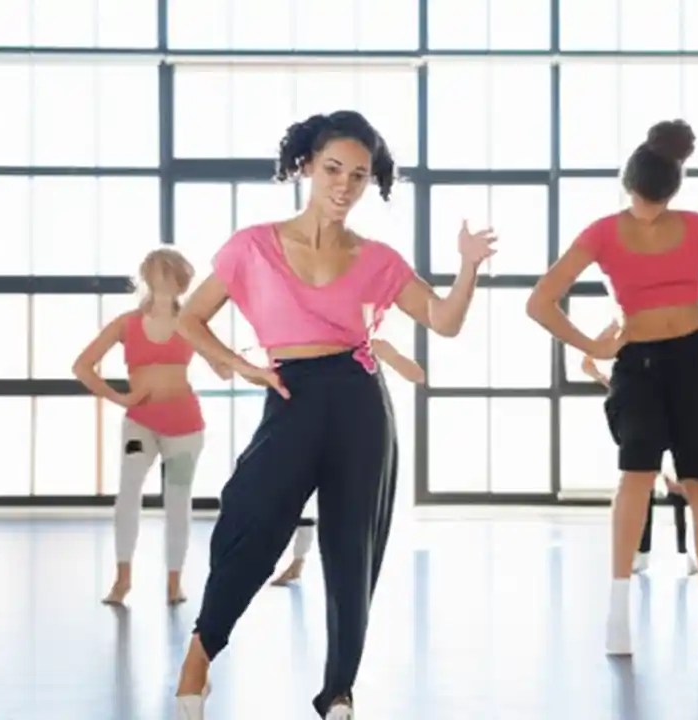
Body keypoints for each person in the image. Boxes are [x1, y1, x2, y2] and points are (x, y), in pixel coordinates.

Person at [172, 110, 495, 720]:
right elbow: (191, 318)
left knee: (352, 549)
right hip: (290, 394)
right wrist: (240, 366)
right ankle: (201, 652)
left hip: (358, 398)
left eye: (359, 176)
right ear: (305, 167)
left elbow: (445, 321)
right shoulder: (253, 246)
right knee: (253, 522)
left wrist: (469, 266)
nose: (344, 185)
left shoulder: (378, 258)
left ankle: (338, 691)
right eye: (333, 169)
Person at [527, 119, 698, 655]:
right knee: (644, 477)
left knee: (692, 484)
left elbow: (540, 303)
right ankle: (620, 615)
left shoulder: (686, 227)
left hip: (692, 361)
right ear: (673, 180)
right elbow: (540, 300)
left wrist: (592, 344)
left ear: (632, 180)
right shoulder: (617, 231)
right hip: (644, 365)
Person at [72, 248, 220, 607]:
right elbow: (83, 366)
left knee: (178, 501)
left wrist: (224, 353)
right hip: (141, 424)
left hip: (185, 427)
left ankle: (174, 582)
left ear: (181, 280)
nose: (164, 280)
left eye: (171, 273)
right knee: (128, 495)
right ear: (147, 277)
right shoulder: (126, 323)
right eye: (157, 272)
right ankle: (122, 580)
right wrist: (119, 398)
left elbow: (223, 368)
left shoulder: (191, 322)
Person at [270, 337, 425, 587]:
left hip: (358, 433)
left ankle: (308, 566)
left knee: (345, 518)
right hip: (306, 424)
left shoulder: (370, 347)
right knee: (297, 499)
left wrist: (391, 355)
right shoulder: (302, 340)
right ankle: (297, 561)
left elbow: (417, 375)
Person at [581, 322, 698, 578]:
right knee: (643, 479)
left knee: (681, 483)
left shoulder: (689, 326)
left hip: (671, 399)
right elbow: (588, 361)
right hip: (639, 401)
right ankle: (645, 552)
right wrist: (612, 382)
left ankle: (683, 552)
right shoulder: (622, 324)